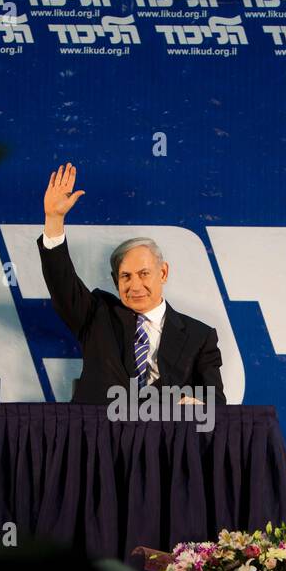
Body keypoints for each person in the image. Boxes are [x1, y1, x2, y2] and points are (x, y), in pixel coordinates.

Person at [37, 163, 225, 404]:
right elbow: (62, 283)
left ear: (163, 273)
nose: (135, 285)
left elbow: (218, 406)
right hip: (99, 437)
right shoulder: (96, 315)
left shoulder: (200, 336)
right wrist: (54, 219)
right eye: (126, 276)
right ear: (115, 281)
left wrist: (200, 404)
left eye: (144, 273)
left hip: (167, 438)